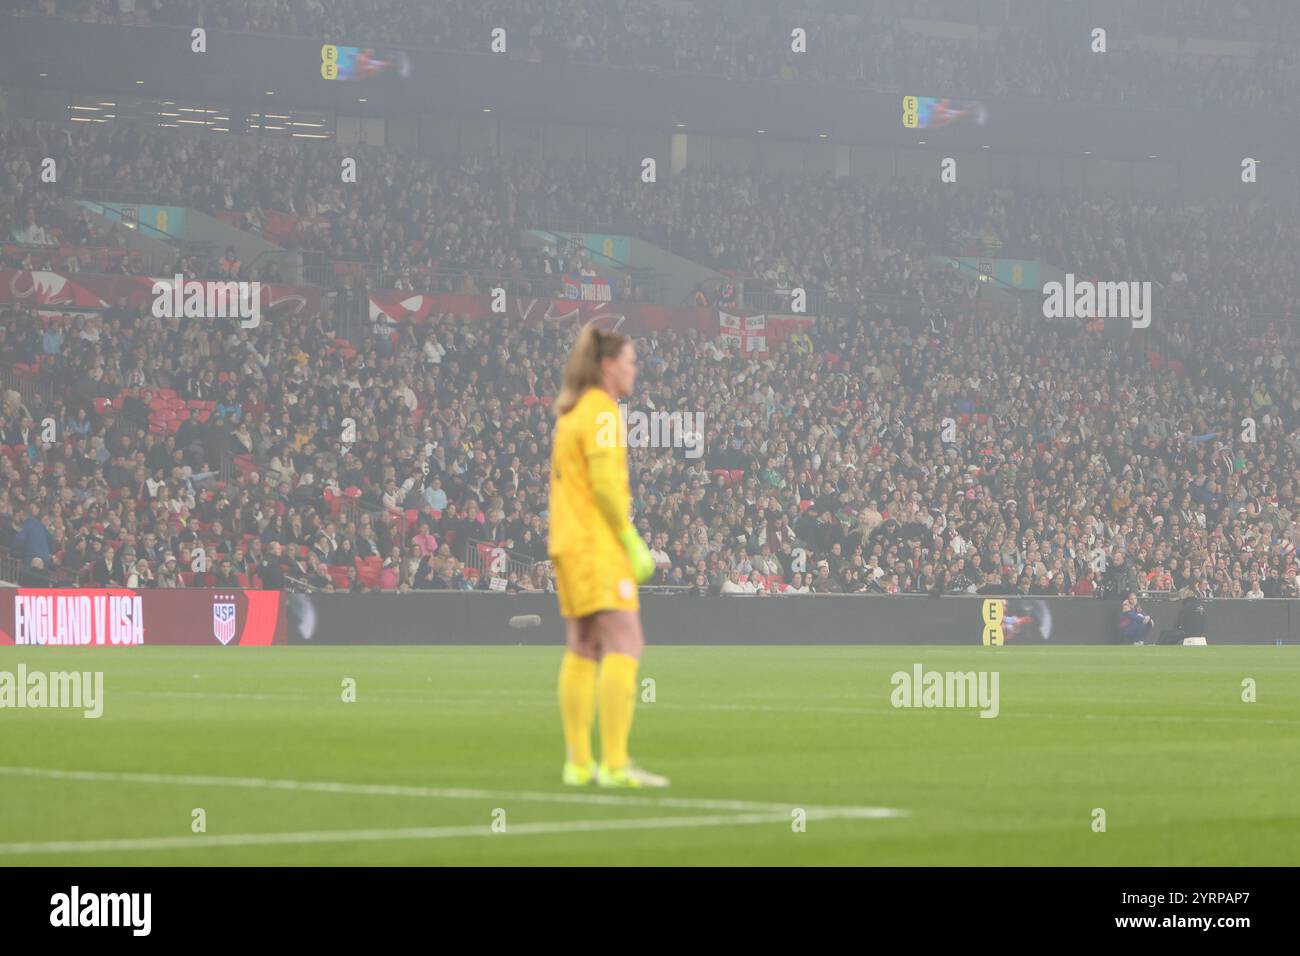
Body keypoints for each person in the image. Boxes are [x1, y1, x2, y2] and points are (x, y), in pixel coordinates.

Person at [549, 326, 667, 789]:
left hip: (568, 542)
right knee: (625, 643)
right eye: (630, 359)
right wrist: (628, 536)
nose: (635, 368)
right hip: (597, 544)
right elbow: (603, 485)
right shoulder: (601, 411)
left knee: (583, 647)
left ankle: (578, 763)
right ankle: (615, 764)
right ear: (607, 365)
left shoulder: (573, 411)